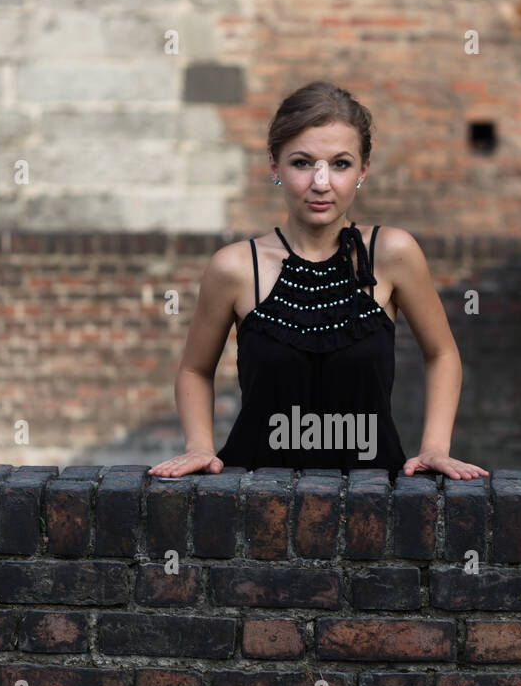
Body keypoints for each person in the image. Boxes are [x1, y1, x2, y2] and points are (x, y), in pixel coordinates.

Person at [148, 81, 488, 481]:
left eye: (340, 164)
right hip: (251, 496)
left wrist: (434, 448)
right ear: (275, 166)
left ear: (363, 170)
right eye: (302, 162)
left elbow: (442, 354)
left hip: (375, 496)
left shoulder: (393, 253)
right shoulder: (236, 267)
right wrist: (199, 447)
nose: (321, 182)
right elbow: (195, 369)